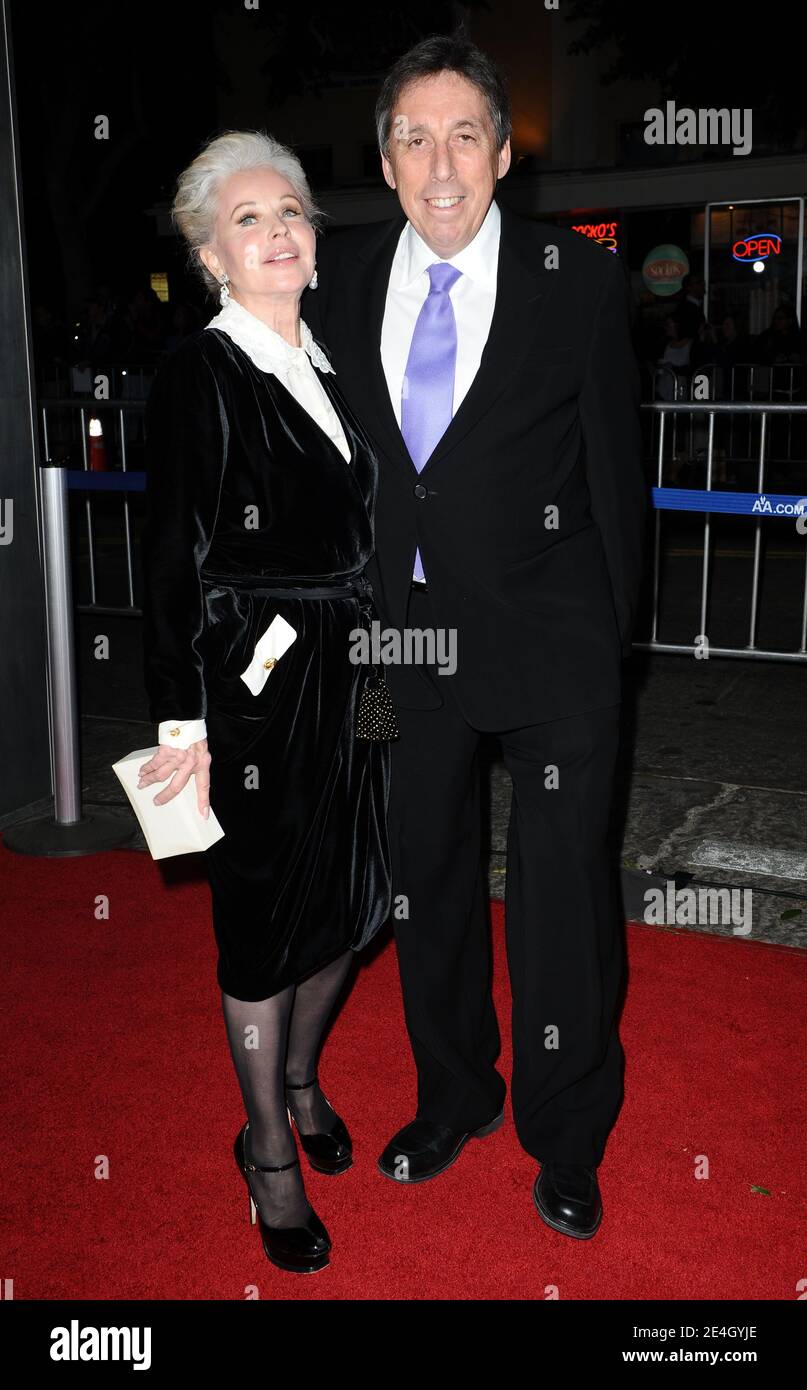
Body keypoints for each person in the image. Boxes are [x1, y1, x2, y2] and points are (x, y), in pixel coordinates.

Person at [302, 30, 647, 1240]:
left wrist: (616, 649)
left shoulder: (580, 281)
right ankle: (455, 1096)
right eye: (412, 137)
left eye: (462, 134)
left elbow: (617, 475)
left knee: (559, 893)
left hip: (555, 644)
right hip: (399, 653)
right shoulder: (334, 281)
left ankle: (568, 1132)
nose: (438, 164)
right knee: (424, 880)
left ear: (503, 151)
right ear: (385, 161)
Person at [137, 131, 392, 1273]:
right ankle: (266, 1150)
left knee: (365, 893)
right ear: (209, 255)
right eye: (248, 217)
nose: (278, 228)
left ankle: (297, 1074)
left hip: (363, 669)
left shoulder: (331, 363)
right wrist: (182, 725)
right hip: (259, 686)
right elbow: (175, 562)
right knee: (262, 922)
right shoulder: (203, 371)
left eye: (290, 209)